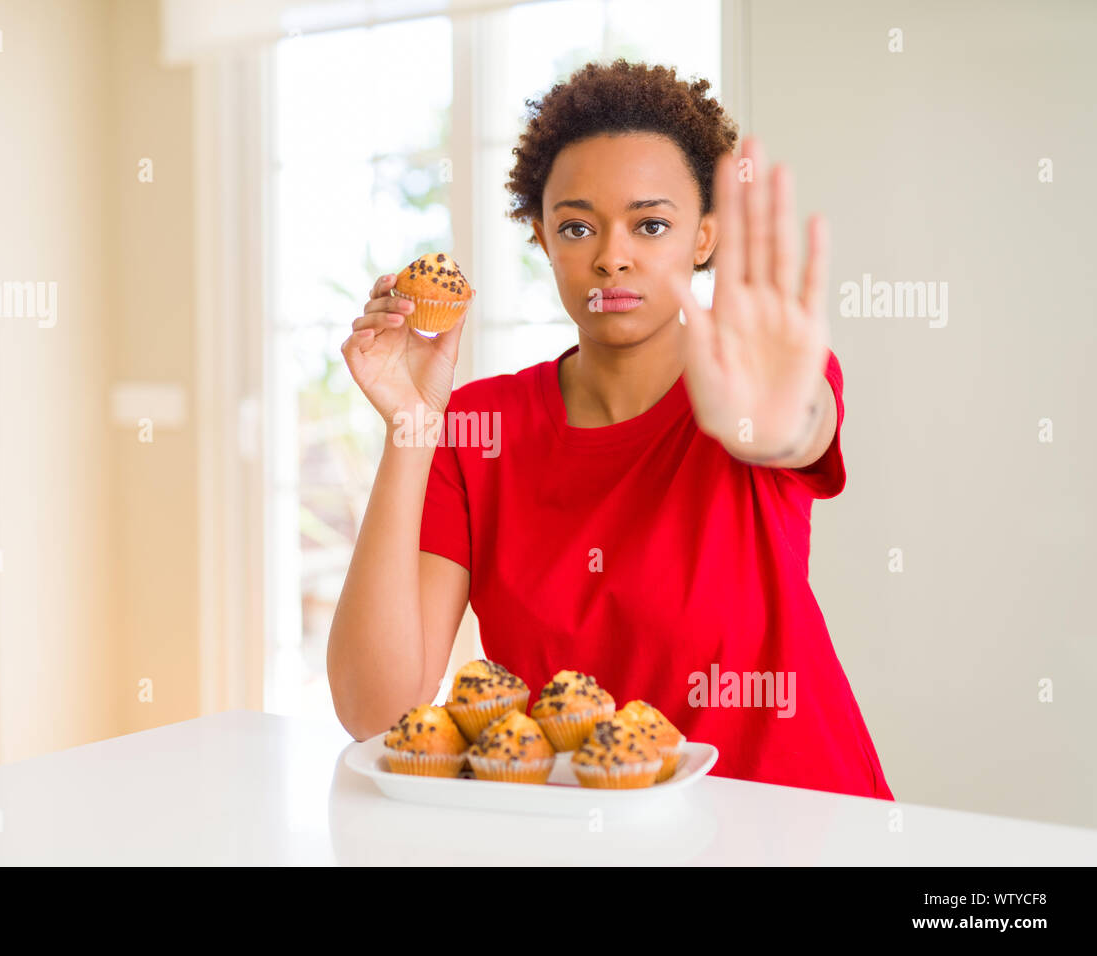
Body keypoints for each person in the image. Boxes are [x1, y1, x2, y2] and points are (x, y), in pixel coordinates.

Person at [328, 59, 892, 800]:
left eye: (651, 223)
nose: (611, 255)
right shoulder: (477, 429)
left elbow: (797, 426)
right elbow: (380, 712)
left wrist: (772, 418)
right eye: (576, 226)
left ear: (705, 236)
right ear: (541, 237)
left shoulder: (758, 378)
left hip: (795, 824)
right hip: (585, 838)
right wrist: (411, 425)